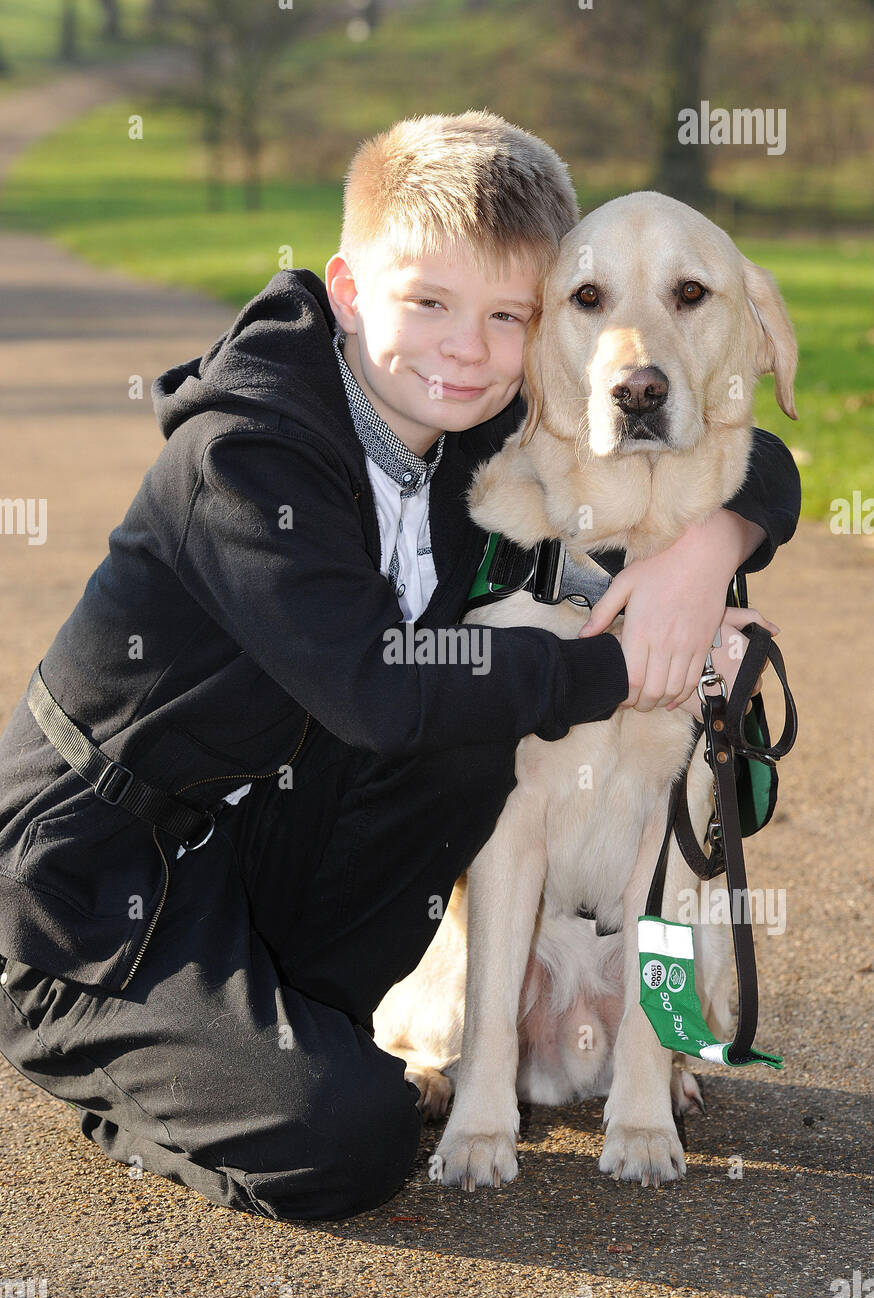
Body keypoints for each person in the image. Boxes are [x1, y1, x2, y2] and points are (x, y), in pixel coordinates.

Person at [0, 111, 799, 1221]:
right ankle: (124, 1065)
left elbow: (740, 445)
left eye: (504, 316)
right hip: (96, 892)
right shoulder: (245, 456)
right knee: (346, 1135)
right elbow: (383, 691)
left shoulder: (471, 430)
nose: (464, 347)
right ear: (346, 289)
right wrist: (628, 666)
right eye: (427, 302)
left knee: (476, 729)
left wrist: (706, 554)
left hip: (263, 845)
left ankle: (270, 1030)